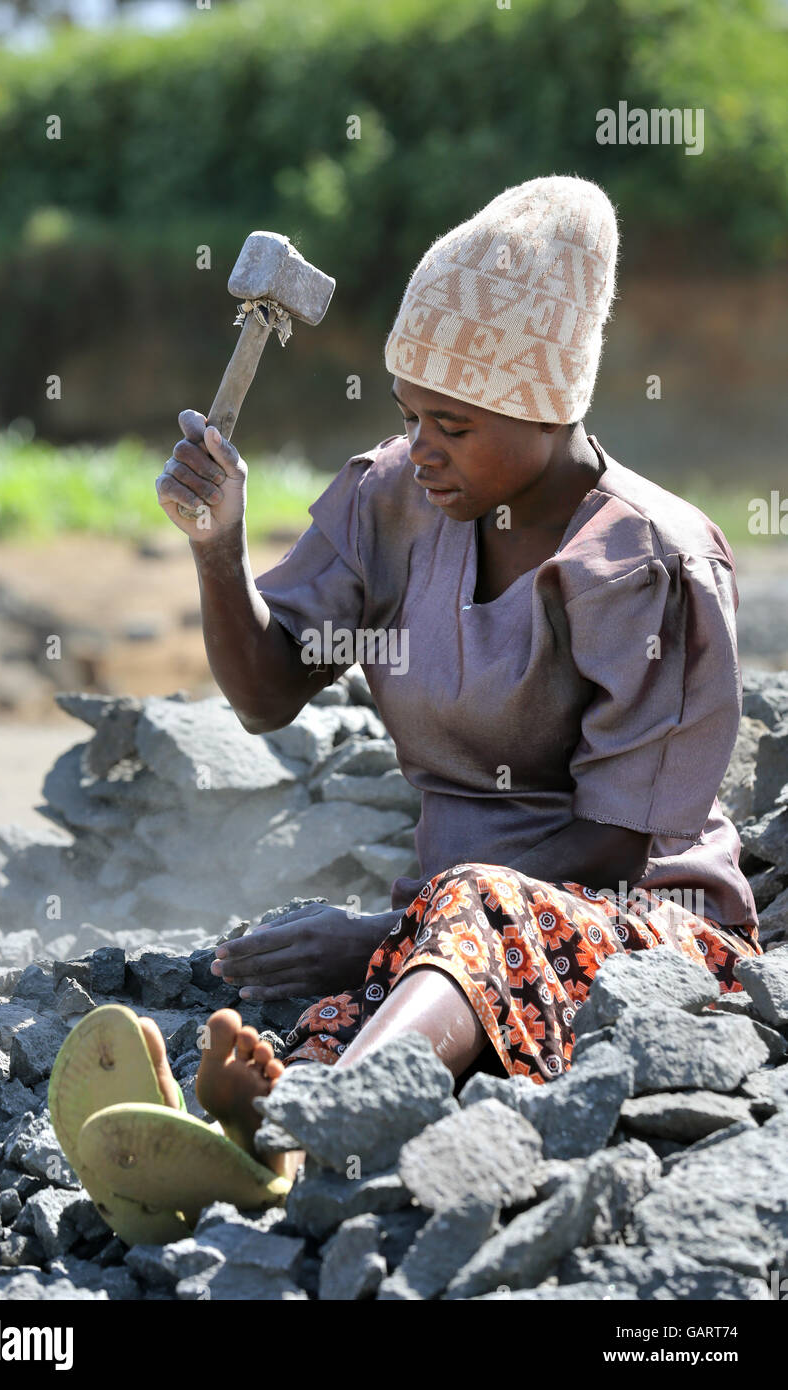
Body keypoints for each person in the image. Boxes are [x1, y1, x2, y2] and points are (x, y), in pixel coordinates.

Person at [149, 174, 762, 1185]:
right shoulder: (393, 497)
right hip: (450, 924)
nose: (420, 450)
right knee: (419, 968)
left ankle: (326, 1114)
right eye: (409, 415)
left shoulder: (645, 558)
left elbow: (611, 841)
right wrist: (218, 550)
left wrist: (380, 932)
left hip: (642, 928)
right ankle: (268, 1122)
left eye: (454, 425)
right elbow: (266, 692)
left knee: (452, 930)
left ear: (549, 408)